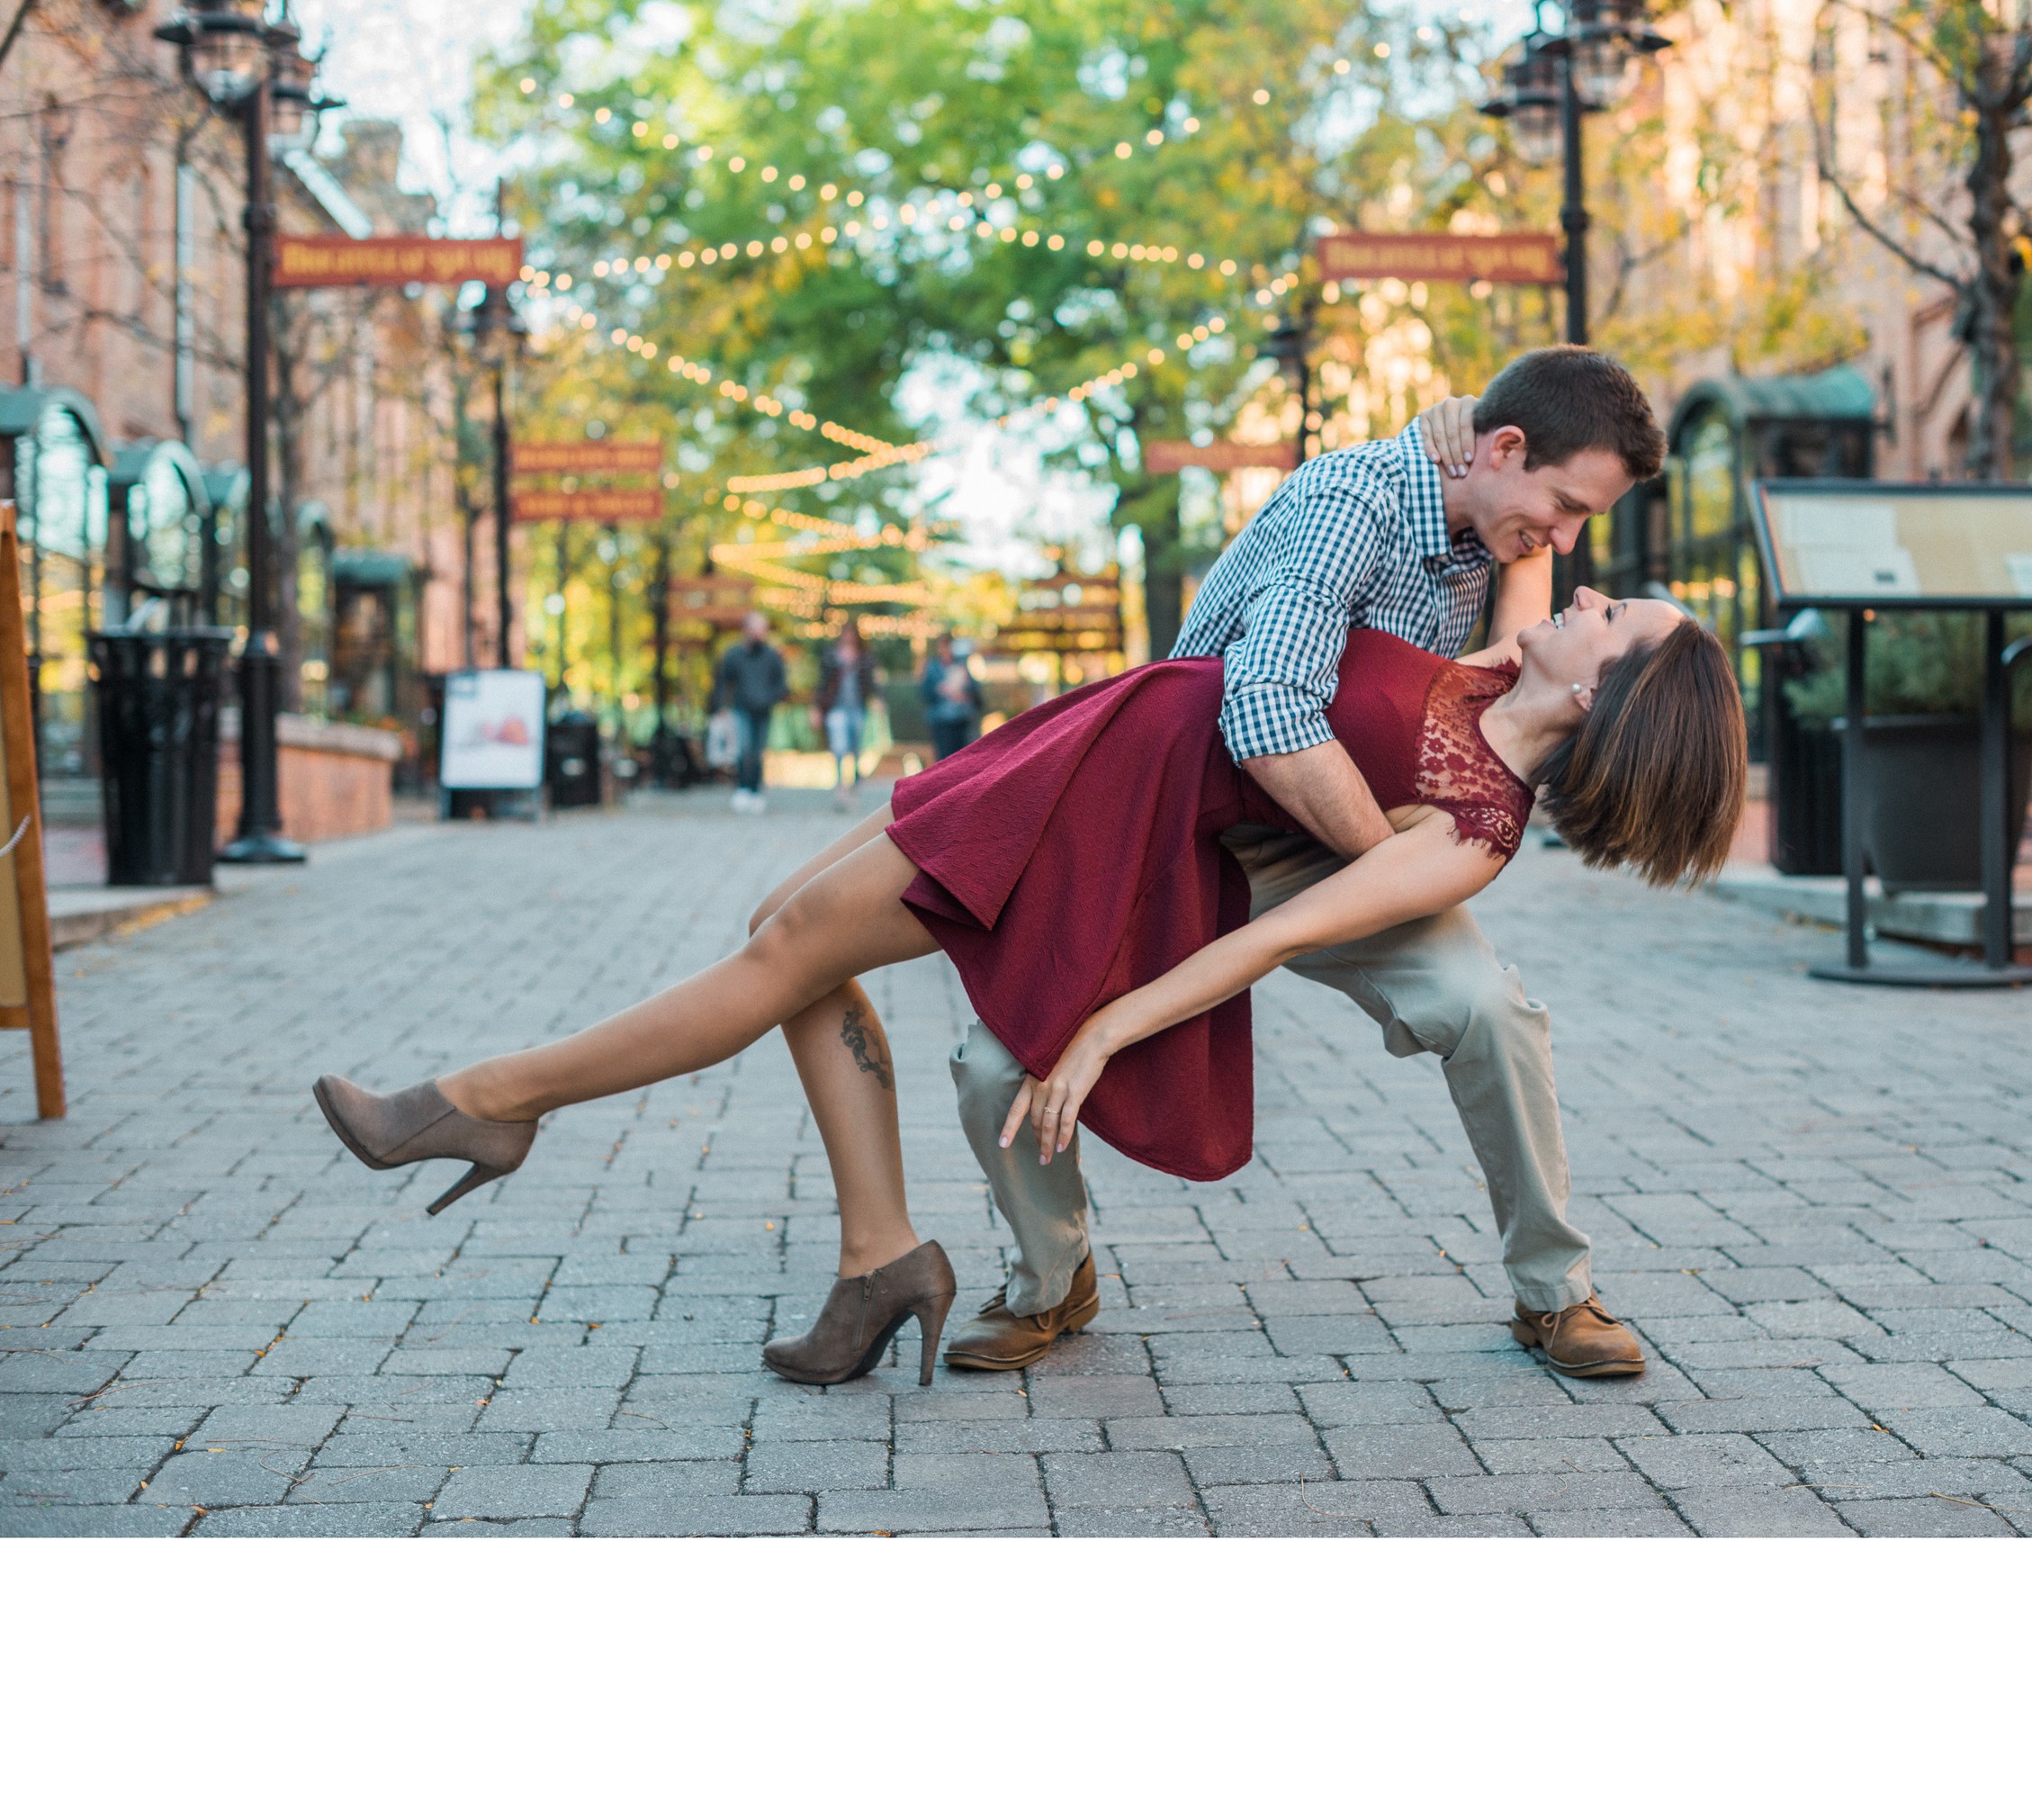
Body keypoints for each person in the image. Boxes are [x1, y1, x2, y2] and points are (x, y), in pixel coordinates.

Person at [309, 419, 1744, 1394]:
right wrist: (1452, 435)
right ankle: (893, 1257)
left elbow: (1289, 917)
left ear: (1607, 686)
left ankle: (491, 1098)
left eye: (1615, 601)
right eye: (1574, 523)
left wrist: (1127, 1010)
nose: (1582, 563)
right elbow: (1509, 488)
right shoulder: (1512, 615)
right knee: (790, 935)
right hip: (1107, 754)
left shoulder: (1478, 805)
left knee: (1491, 1006)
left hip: (1196, 829)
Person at [937, 347, 1681, 1379]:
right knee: (993, 1062)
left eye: (1580, 522)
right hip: (1195, 822)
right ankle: (1048, 1279)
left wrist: (1389, 878)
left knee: (1491, 1014)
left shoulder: (1499, 549)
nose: (1566, 549)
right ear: (1501, 451)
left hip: (1362, 850)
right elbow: (1269, 707)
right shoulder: (1379, 503)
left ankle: (1554, 1291)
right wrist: (1387, 869)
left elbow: (1541, 599)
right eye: (1565, 510)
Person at [713, 613, 787, 814]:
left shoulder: (772, 656)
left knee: (757, 751)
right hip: (741, 709)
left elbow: (781, 686)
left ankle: (756, 791)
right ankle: (743, 789)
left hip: (763, 711)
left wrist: (768, 698)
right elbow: (723, 683)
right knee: (743, 749)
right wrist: (720, 707)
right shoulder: (734, 655)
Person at [813, 619, 879, 807]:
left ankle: (855, 781)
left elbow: (872, 682)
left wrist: (876, 698)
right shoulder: (832, 656)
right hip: (837, 708)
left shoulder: (864, 657)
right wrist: (817, 708)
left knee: (856, 747)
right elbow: (823, 684)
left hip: (857, 707)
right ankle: (841, 784)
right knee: (840, 747)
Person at [919, 631, 984, 761]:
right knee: (945, 758)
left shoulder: (962, 664)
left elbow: (975, 689)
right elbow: (925, 691)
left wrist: (964, 690)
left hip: (962, 718)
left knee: (962, 757)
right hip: (941, 720)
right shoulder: (932, 666)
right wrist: (940, 689)